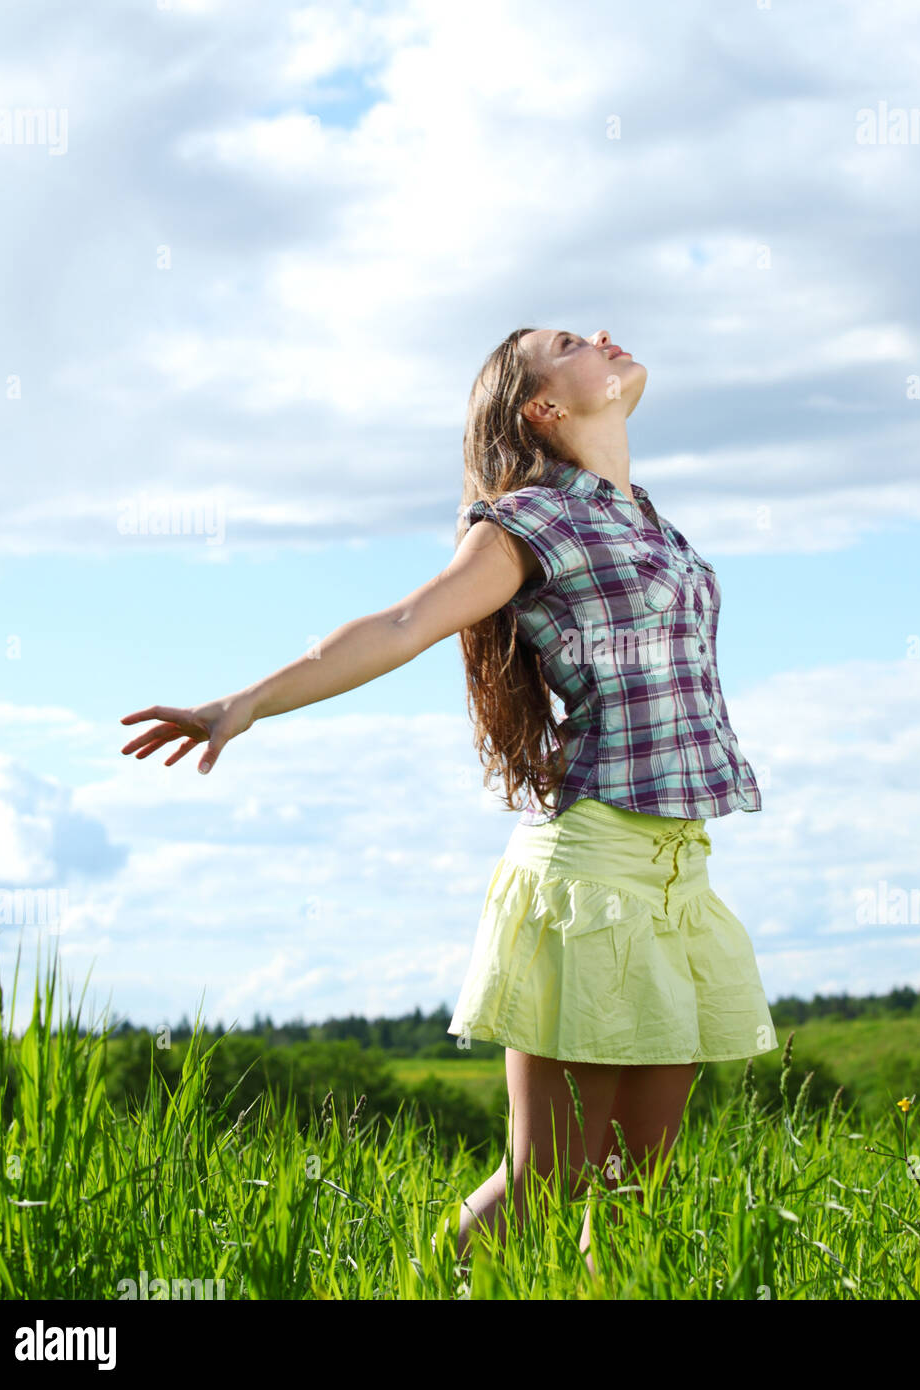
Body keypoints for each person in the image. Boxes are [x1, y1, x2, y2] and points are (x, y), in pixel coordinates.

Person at [119, 325, 777, 1284]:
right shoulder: (526, 521)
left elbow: (619, 412)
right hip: (589, 874)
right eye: (570, 342)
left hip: (678, 873)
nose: (602, 337)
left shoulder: (641, 516)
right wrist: (246, 701)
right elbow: (403, 621)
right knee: (545, 1182)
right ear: (543, 409)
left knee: (638, 1191)